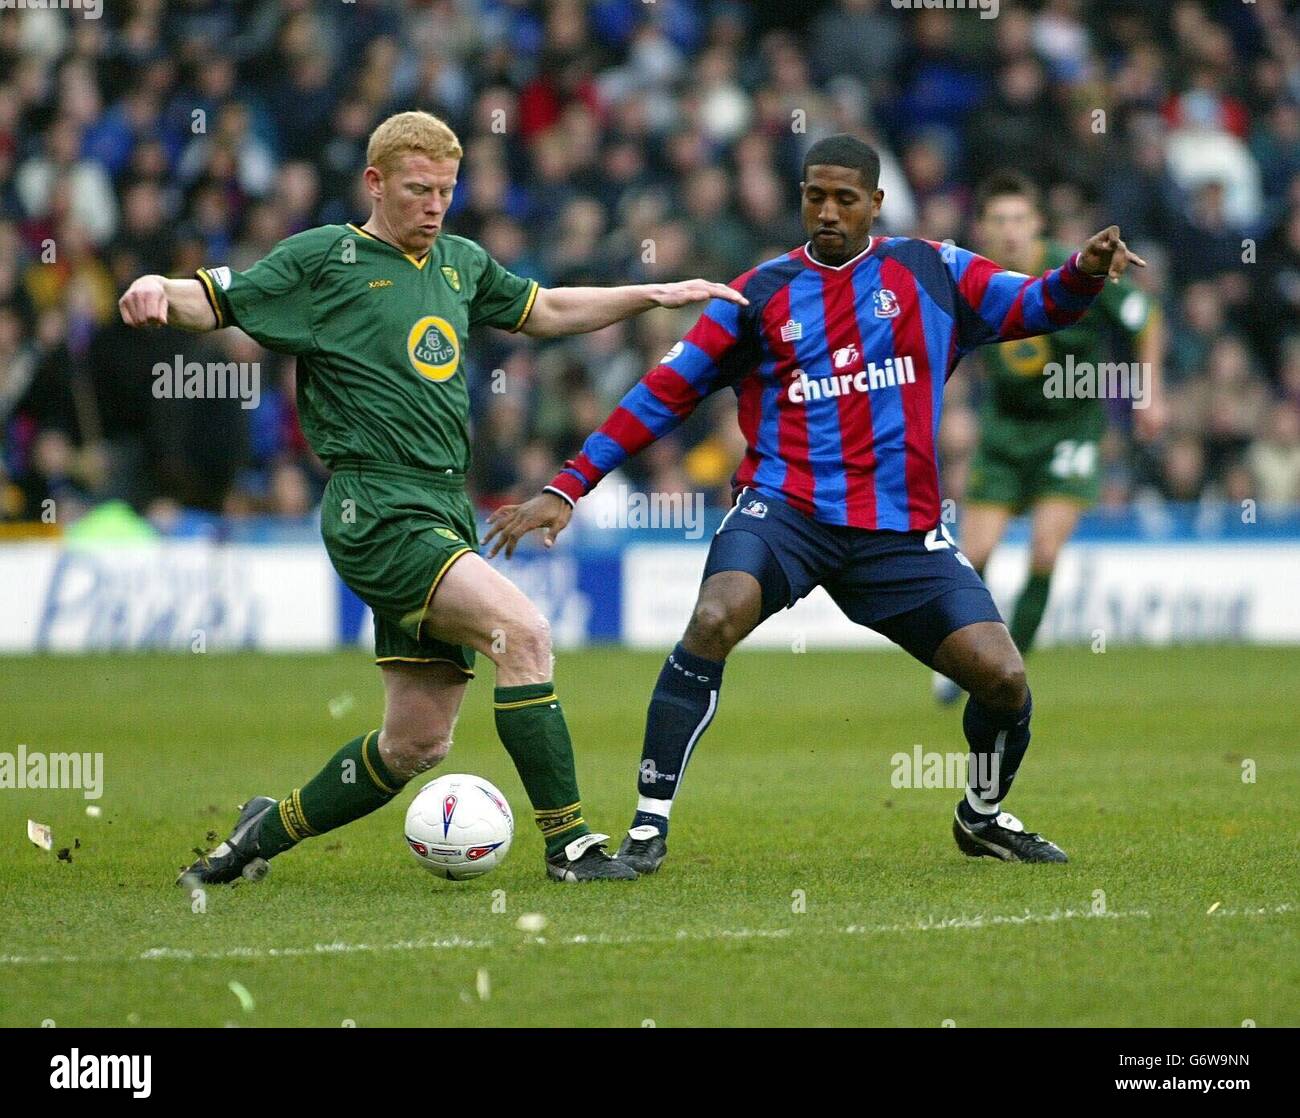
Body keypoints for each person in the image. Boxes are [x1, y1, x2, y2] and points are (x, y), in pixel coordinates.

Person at [485, 134, 1145, 870]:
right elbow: (664, 393)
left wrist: (1082, 274)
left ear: (876, 204)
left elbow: (1038, 303)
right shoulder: (758, 293)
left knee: (1004, 678)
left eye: (845, 199)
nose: (827, 212)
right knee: (714, 616)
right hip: (785, 512)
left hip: (899, 532)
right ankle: (648, 824)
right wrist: (567, 485)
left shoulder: (933, 270)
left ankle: (982, 816)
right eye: (814, 196)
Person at [119, 111, 744, 884]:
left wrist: (650, 294)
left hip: (442, 506)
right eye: (419, 189)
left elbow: (544, 311)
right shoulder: (326, 260)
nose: (435, 205)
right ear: (375, 183)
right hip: (375, 511)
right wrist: (157, 287)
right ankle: (572, 846)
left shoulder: (459, 262)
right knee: (524, 633)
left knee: (414, 743)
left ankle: (251, 839)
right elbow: (218, 298)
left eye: (446, 191)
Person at [931, 171, 1164, 702]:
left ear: (1036, 222)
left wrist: (1150, 394)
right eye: (1000, 221)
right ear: (982, 227)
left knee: (1043, 549)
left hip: (1070, 431)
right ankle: (962, 655)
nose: (1011, 231)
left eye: (1020, 219)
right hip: (1004, 432)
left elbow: (1145, 318)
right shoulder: (971, 278)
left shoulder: (1077, 270)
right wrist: (950, 406)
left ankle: (1006, 673)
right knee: (976, 551)